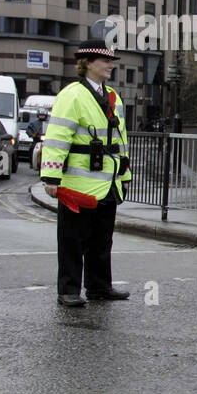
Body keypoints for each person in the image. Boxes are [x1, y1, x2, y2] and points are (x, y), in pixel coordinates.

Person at [40, 38, 132, 307]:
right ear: (88, 63)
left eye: (112, 61)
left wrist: (124, 177)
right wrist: (51, 176)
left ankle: (99, 287)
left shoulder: (113, 97)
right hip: (78, 184)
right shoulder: (72, 95)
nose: (110, 66)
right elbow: (57, 137)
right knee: (72, 241)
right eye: (105, 61)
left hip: (107, 183)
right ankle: (68, 290)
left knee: (102, 241)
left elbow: (121, 142)